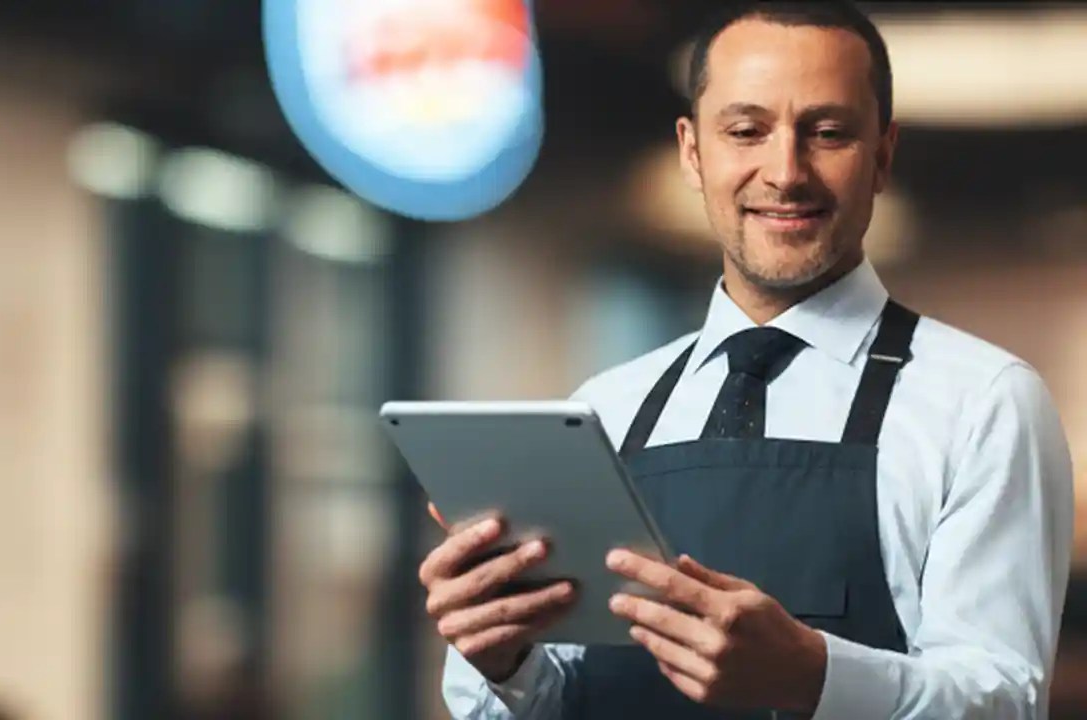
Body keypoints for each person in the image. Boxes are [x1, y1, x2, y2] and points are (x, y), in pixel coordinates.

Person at [422, 2, 1075, 718]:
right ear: (693, 152)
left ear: (882, 154)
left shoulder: (983, 403)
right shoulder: (605, 408)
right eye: (746, 131)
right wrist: (502, 661)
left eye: (827, 132)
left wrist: (814, 676)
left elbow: (1006, 702)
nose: (786, 171)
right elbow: (554, 701)